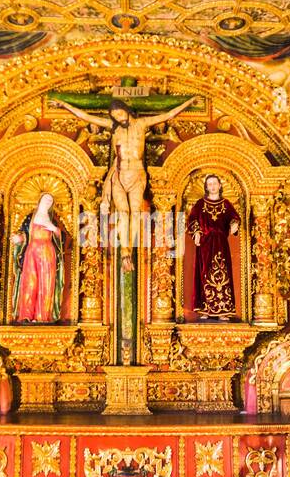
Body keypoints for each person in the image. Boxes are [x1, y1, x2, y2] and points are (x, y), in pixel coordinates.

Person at [53, 95, 197, 270]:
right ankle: (125, 253)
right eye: (115, 116)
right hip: (119, 175)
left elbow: (168, 115)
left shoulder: (142, 124)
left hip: (137, 174)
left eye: (120, 113)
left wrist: (188, 103)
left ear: (126, 111)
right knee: (123, 212)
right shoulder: (114, 128)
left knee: (135, 213)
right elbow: (87, 117)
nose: (119, 118)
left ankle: (130, 249)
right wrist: (64, 104)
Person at [186, 174, 241, 320]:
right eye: (209, 184)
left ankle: (223, 311)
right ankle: (205, 309)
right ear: (206, 187)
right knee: (204, 273)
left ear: (220, 185)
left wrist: (234, 224)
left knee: (223, 273)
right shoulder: (200, 204)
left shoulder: (226, 204)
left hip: (221, 243)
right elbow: (192, 219)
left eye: (214, 183)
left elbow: (234, 217)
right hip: (205, 244)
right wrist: (197, 233)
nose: (212, 186)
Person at [11, 192, 64, 323]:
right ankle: (26, 315)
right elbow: (25, 234)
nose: (48, 201)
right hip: (32, 251)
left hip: (47, 252)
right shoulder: (30, 218)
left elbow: (62, 239)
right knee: (30, 282)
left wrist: (55, 229)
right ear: (40, 199)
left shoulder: (52, 220)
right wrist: (19, 238)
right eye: (46, 198)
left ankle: (42, 316)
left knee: (45, 282)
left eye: (50, 200)